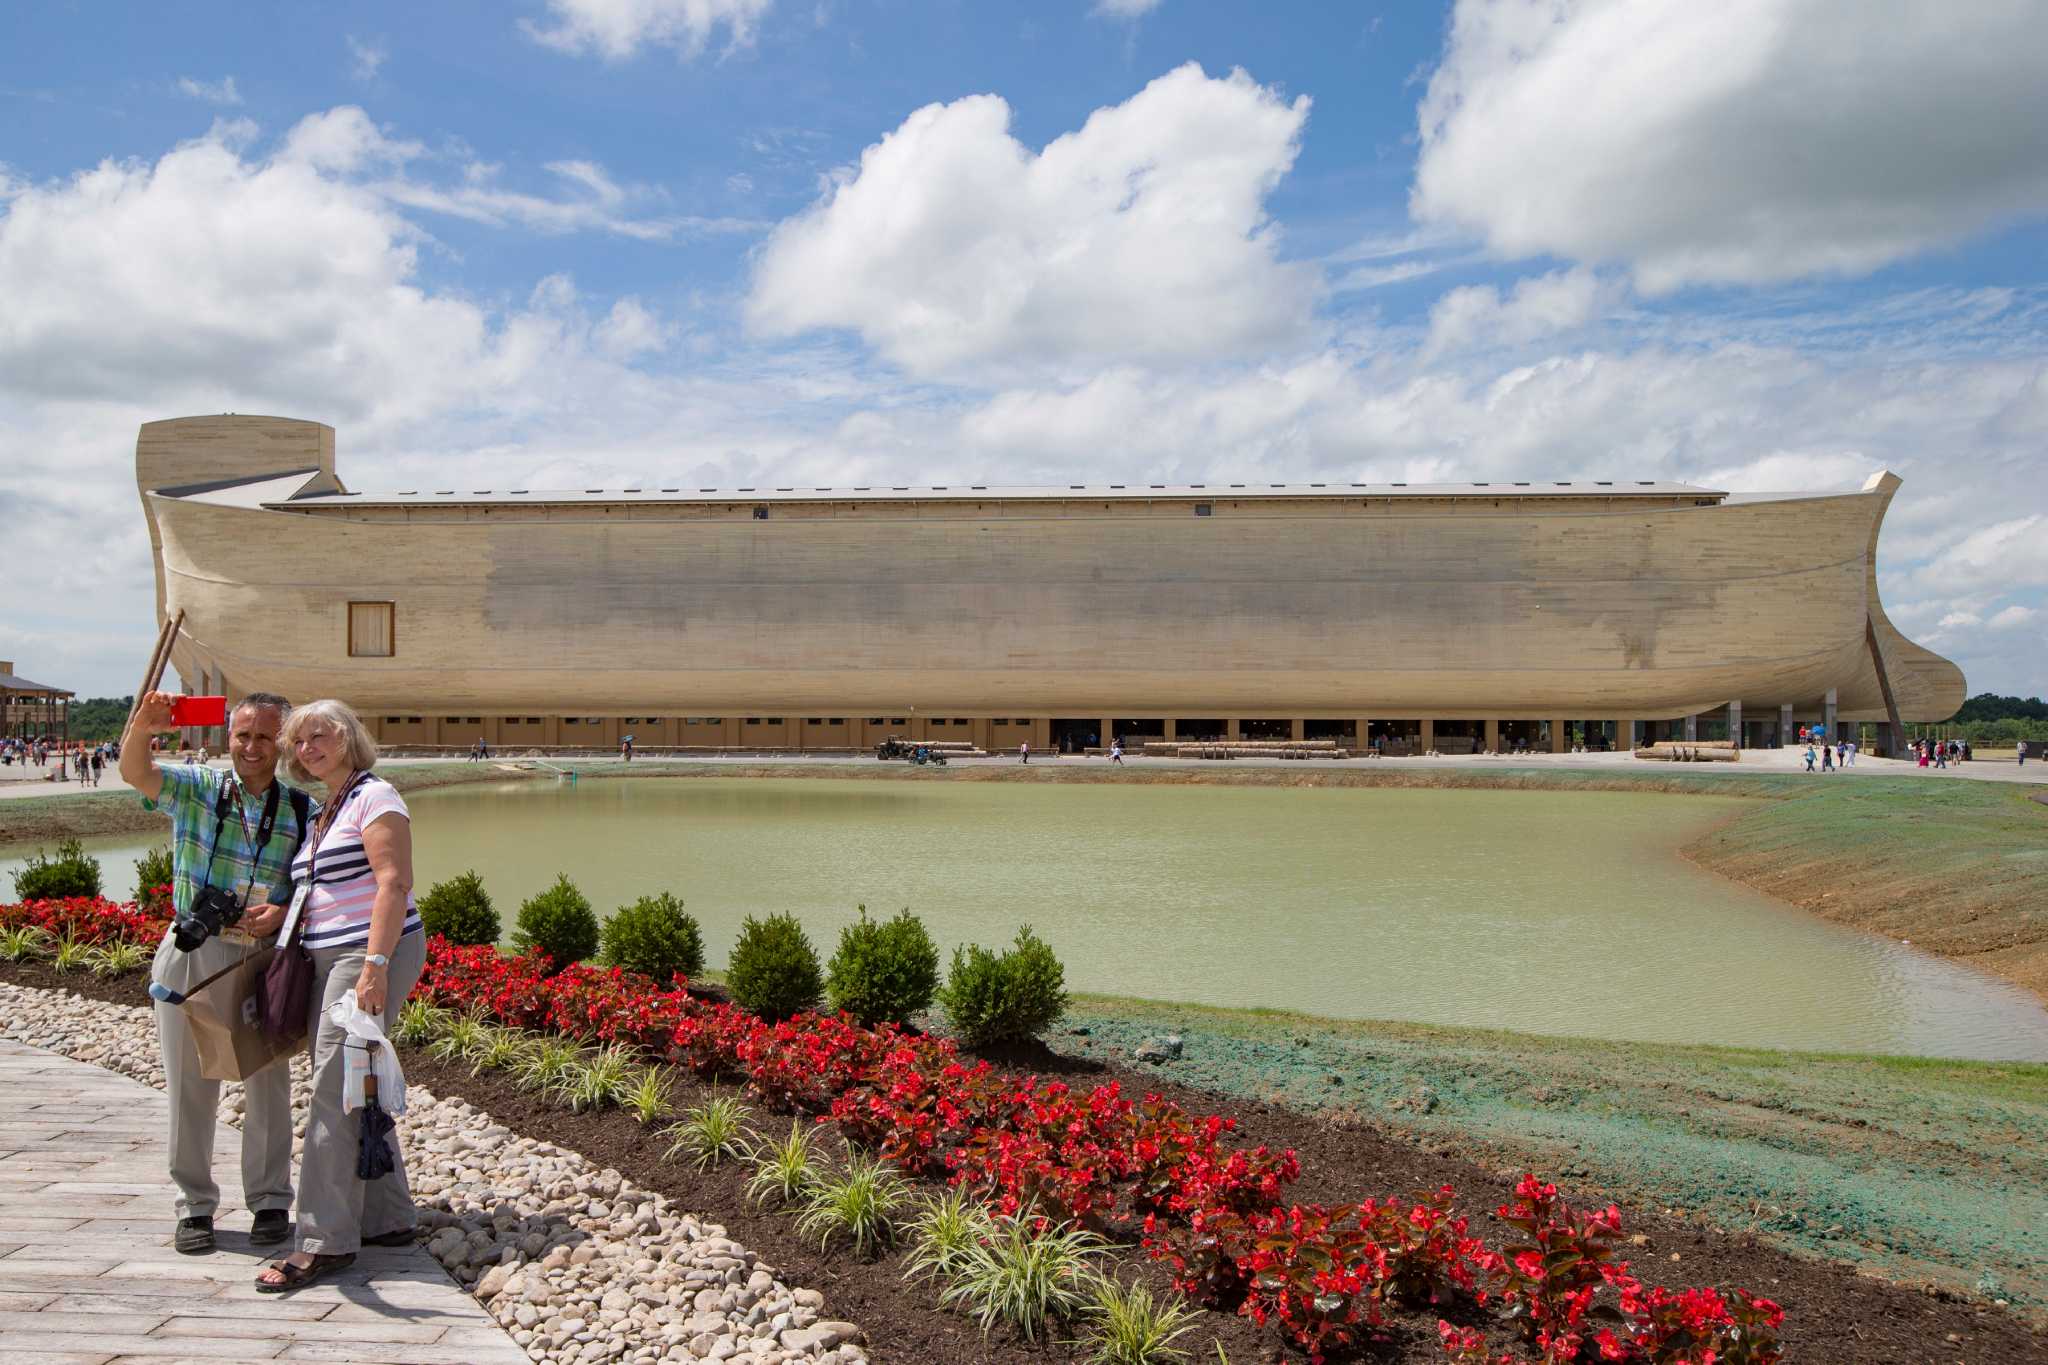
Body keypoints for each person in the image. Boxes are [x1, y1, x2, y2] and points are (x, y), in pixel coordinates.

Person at [120, 691, 309, 1256]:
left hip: (260, 959)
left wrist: (283, 910)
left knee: (268, 1083)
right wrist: (143, 729)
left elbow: (315, 882)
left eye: (265, 736)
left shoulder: (302, 810)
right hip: (194, 951)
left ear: (283, 743)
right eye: (243, 735)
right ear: (228, 736)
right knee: (189, 1084)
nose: (252, 747)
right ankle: (195, 1206)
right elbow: (136, 772)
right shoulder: (198, 789)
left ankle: (271, 1199)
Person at [258, 700, 426, 1293]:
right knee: (355, 1080)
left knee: (333, 1086)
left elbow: (393, 883)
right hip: (330, 957)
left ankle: (321, 1242)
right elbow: (325, 888)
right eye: (299, 742)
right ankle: (388, 1217)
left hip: (367, 954)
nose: (308, 749)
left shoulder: (376, 797)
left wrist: (375, 966)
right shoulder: (331, 807)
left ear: (350, 737)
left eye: (319, 736)